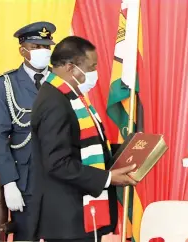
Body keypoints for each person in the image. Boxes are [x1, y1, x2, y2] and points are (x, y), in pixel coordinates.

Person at [29, 36, 138, 242]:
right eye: (91, 67)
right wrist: (108, 178)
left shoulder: (71, 97)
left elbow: (87, 146)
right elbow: (57, 163)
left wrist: (131, 152)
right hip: (68, 221)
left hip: (79, 219)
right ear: (71, 67)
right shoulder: (55, 102)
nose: (94, 74)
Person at [0, 21, 56, 241]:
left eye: (46, 46)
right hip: (26, 180)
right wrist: (9, 183)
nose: (43, 52)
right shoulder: (5, 84)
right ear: (22, 50)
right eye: (36, 47)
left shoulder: (61, 81)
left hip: (60, 177)